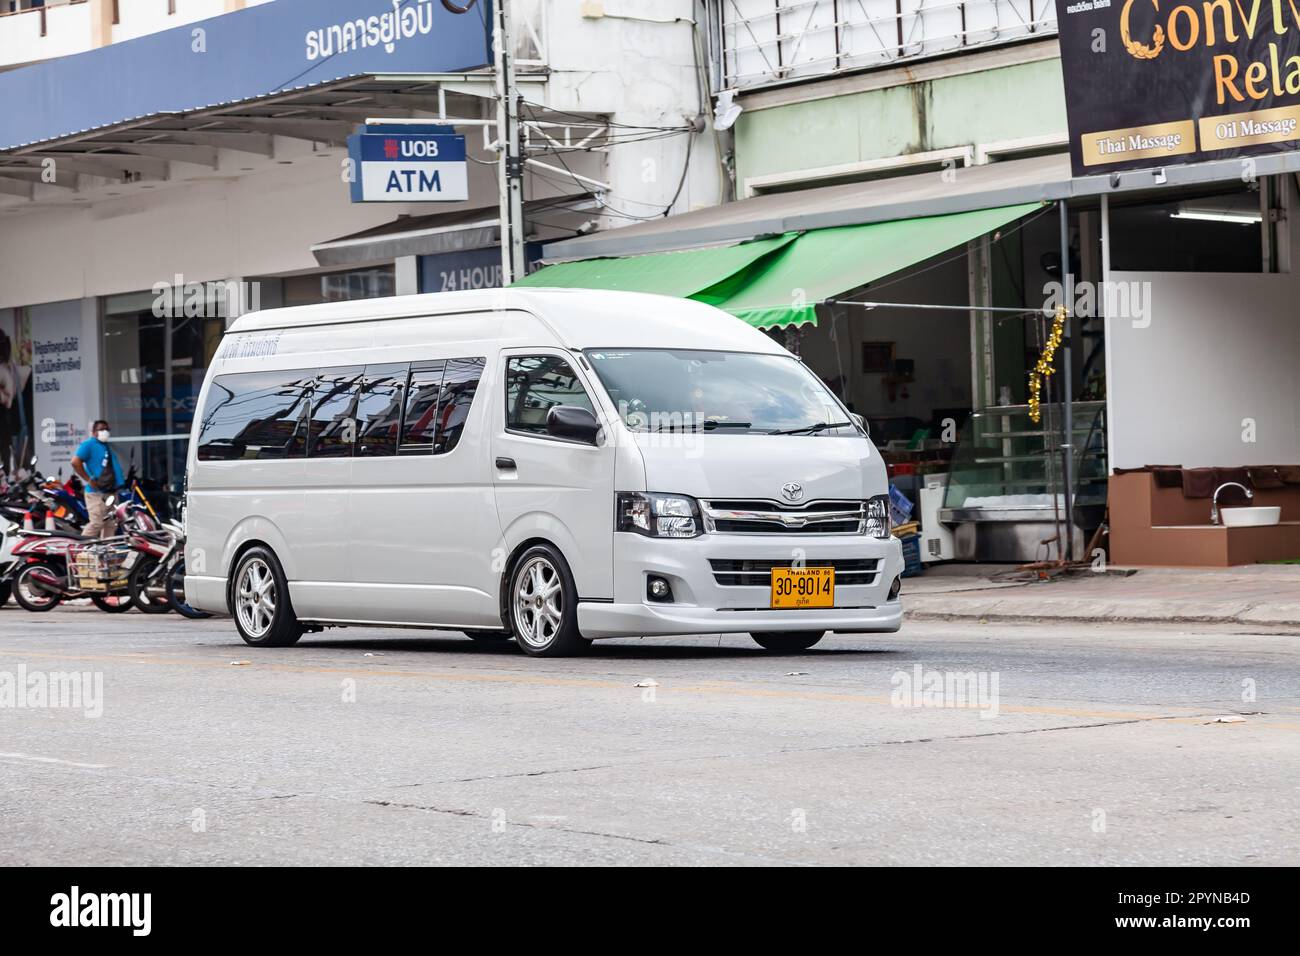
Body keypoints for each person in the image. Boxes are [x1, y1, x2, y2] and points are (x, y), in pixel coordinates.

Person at [71, 420, 124, 539]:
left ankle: (106, 553)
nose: (105, 432)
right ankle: (80, 549)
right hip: (96, 493)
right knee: (96, 523)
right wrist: (88, 479)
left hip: (110, 492)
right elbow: (75, 462)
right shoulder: (88, 444)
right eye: (101, 429)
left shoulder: (105, 446)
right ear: (94, 432)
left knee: (111, 525)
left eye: (107, 429)